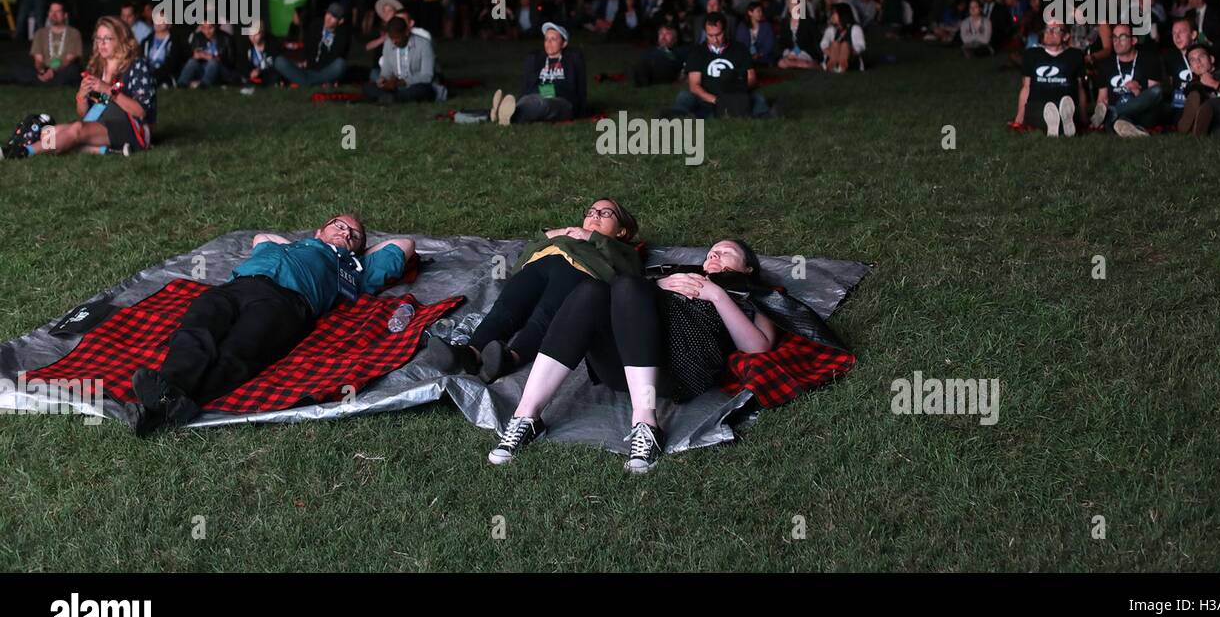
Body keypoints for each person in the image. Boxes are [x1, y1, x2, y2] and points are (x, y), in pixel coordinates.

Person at [487, 239, 781, 473]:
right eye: (712, 252)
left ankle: (646, 426)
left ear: (747, 269)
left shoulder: (751, 295)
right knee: (594, 290)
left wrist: (716, 294)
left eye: (726, 253)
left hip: (678, 372)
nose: (715, 255)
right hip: (623, 364)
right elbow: (625, 294)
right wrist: (656, 286)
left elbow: (758, 346)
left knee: (626, 286)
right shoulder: (677, 274)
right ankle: (526, 417)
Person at [128, 215, 415, 435]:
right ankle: (169, 393)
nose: (345, 233)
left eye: (354, 235)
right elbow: (260, 236)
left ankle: (161, 406)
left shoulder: (355, 271)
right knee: (197, 329)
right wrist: (310, 244)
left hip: (286, 303)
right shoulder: (291, 246)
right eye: (339, 226)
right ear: (319, 229)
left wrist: (356, 253)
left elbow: (404, 245)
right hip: (237, 288)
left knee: (240, 349)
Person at [428, 199, 642, 384]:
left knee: (546, 313)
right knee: (505, 308)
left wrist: (592, 238)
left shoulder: (623, 250)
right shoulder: (568, 236)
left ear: (621, 230)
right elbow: (524, 256)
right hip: (539, 265)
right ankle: (470, 353)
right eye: (591, 212)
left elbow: (629, 271)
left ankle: (510, 358)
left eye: (605, 213)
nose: (595, 215)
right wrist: (552, 235)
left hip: (579, 270)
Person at [3, 16, 155, 159]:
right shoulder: (98, 67)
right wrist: (81, 96)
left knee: (76, 129)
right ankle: (102, 150)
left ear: (121, 39)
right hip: (101, 124)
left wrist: (107, 89)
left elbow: (140, 112)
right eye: (99, 38)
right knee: (50, 133)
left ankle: (22, 152)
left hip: (134, 129)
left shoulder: (137, 65)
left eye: (108, 39)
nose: (101, 43)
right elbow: (86, 115)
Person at [671, 11, 771, 118]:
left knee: (757, 97)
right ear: (705, 33)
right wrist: (717, 100)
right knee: (684, 96)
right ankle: (676, 117)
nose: (715, 40)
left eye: (718, 34)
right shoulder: (697, 52)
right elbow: (694, 85)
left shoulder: (739, 49)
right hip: (708, 98)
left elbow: (751, 77)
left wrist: (736, 95)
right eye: (710, 35)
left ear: (725, 31)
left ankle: (763, 117)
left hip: (736, 96)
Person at [490, 22, 586, 125]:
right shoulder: (537, 60)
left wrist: (543, 90)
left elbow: (573, 90)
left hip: (561, 101)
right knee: (528, 100)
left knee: (543, 104)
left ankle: (507, 115)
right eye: (546, 39)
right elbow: (527, 88)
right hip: (535, 96)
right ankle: (506, 113)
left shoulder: (571, 60)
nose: (548, 42)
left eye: (553, 39)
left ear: (564, 43)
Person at [1011, 19, 1087, 135]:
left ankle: (1056, 125)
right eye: (1047, 29)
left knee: (1067, 110)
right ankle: (1061, 126)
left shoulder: (1075, 55)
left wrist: (1084, 118)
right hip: (1038, 105)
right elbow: (1026, 87)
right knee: (1040, 111)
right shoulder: (1032, 54)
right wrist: (1019, 117)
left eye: (1055, 29)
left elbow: (1080, 89)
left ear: (1066, 36)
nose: (1049, 32)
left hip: (1066, 105)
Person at [1092, 22, 1164, 136]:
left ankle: (1114, 114)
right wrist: (1099, 112)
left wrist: (1138, 93)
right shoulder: (1106, 65)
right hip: (1117, 111)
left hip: (1141, 112)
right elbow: (1102, 99)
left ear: (1133, 40)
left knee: (1157, 90)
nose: (1117, 41)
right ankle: (1130, 127)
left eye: (1123, 37)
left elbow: (1153, 99)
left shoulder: (1149, 60)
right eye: (1114, 37)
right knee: (1119, 119)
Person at [0, 2, 82, 86]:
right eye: (51, 11)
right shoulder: (40, 33)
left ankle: (35, 81)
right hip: (45, 69)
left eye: (58, 11)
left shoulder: (74, 33)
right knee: (16, 67)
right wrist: (42, 71)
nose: (54, 14)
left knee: (73, 71)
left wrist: (53, 71)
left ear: (65, 15)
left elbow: (69, 59)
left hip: (63, 70)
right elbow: (38, 60)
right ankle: (45, 80)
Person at [362, 14, 438, 104]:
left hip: (414, 85)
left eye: (397, 37)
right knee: (367, 86)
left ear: (406, 32)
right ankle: (392, 98)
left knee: (422, 89)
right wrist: (383, 81)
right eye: (391, 38)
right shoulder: (388, 44)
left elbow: (427, 76)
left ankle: (391, 98)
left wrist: (403, 82)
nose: (394, 41)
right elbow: (386, 71)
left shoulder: (423, 44)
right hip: (395, 87)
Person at [274, 2, 351, 87]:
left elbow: (334, 58)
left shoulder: (342, 35)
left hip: (324, 71)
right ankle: (319, 82)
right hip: (307, 69)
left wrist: (327, 37)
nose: (328, 18)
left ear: (340, 21)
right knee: (279, 61)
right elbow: (307, 49)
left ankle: (307, 81)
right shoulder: (316, 25)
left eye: (333, 17)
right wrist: (303, 62)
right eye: (328, 14)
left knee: (340, 64)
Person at [178, 20, 237, 88]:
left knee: (213, 62)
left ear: (216, 26)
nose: (207, 31)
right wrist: (195, 56)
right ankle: (181, 83)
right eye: (203, 28)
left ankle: (204, 84)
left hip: (221, 71)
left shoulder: (226, 38)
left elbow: (231, 62)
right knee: (192, 61)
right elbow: (187, 56)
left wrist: (215, 58)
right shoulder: (197, 37)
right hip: (202, 69)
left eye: (210, 28)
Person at [140, 10, 187, 88]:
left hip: (166, 74)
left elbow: (173, 63)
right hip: (147, 71)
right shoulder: (146, 41)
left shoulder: (175, 41)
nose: (158, 23)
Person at [776, 0, 822, 70]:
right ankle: (797, 63)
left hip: (805, 51)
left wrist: (796, 52)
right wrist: (788, 52)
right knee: (781, 63)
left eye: (794, 4)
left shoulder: (809, 21)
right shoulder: (785, 22)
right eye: (790, 3)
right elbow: (782, 41)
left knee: (801, 63)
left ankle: (803, 64)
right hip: (789, 53)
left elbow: (813, 41)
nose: (791, 6)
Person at [819, 2, 866, 72]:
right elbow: (823, 45)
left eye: (834, 13)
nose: (832, 16)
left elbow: (861, 46)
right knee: (835, 44)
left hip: (851, 59)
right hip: (833, 56)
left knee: (845, 45)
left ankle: (842, 66)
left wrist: (846, 52)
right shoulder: (830, 30)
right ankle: (832, 65)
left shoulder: (855, 28)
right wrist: (837, 54)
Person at [238, 20, 279, 86]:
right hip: (254, 80)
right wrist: (250, 73)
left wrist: (260, 71)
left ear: (262, 33)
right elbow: (242, 65)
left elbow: (275, 65)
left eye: (256, 34)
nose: (253, 37)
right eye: (250, 34)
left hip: (270, 78)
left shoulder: (272, 44)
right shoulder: (246, 46)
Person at [737, 0, 778, 66]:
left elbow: (769, 44)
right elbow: (740, 43)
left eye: (761, 11)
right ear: (750, 13)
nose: (760, 13)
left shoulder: (766, 26)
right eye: (758, 11)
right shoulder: (743, 26)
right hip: (747, 56)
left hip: (764, 57)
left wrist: (759, 54)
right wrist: (748, 55)